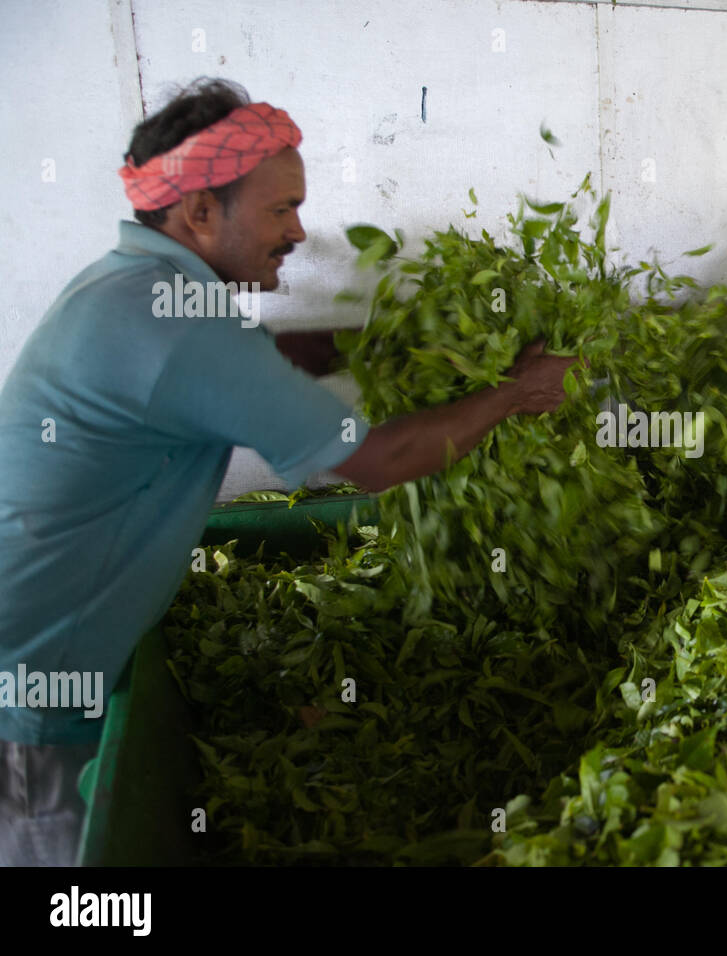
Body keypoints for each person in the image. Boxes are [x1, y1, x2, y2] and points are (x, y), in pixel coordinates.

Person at [0, 77, 576, 866]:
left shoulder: (132, 289)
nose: (300, 232)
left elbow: (256, 367)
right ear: (201, 213)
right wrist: (516, 395)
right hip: (25, 704)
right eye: (280, 210)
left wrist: (396, 341)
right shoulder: (183, 329)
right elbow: (381, 462)